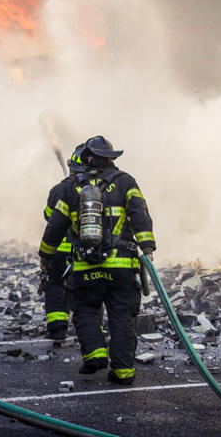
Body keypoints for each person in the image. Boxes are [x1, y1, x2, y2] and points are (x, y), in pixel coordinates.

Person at [38, 135, 155, 385]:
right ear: (110, 159)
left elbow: (55, 226)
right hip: (122, 267)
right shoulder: (125, 182)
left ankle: (95, 355)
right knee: (122, 317)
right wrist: (148, 247)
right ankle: (123, 372)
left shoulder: (71, 187)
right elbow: (140, 214)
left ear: (86, 159)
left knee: (86, 310)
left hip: (85, 266)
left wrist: (45, 256)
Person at [41, 145, 85, 340]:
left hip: (59, 251)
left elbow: (49, 217)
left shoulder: (59, 189)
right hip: (83, 252)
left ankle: (57, 328)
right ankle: (92, 331)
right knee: (87, 291)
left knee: (54, 284)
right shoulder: (96, 189)